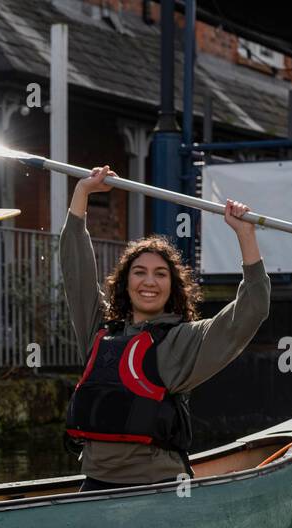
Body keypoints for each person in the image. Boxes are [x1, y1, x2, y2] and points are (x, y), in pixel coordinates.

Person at [60, 166, 270, 490]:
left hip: (156, 486)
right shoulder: (100, 330)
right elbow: (76, 269)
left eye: (160, 274)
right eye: (139, 272)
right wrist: (82, 193)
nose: (149, 281)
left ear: (172, 288)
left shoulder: (183, 340)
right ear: (125, 282)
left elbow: (250, 311)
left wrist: (245, 235)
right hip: (95, 482)